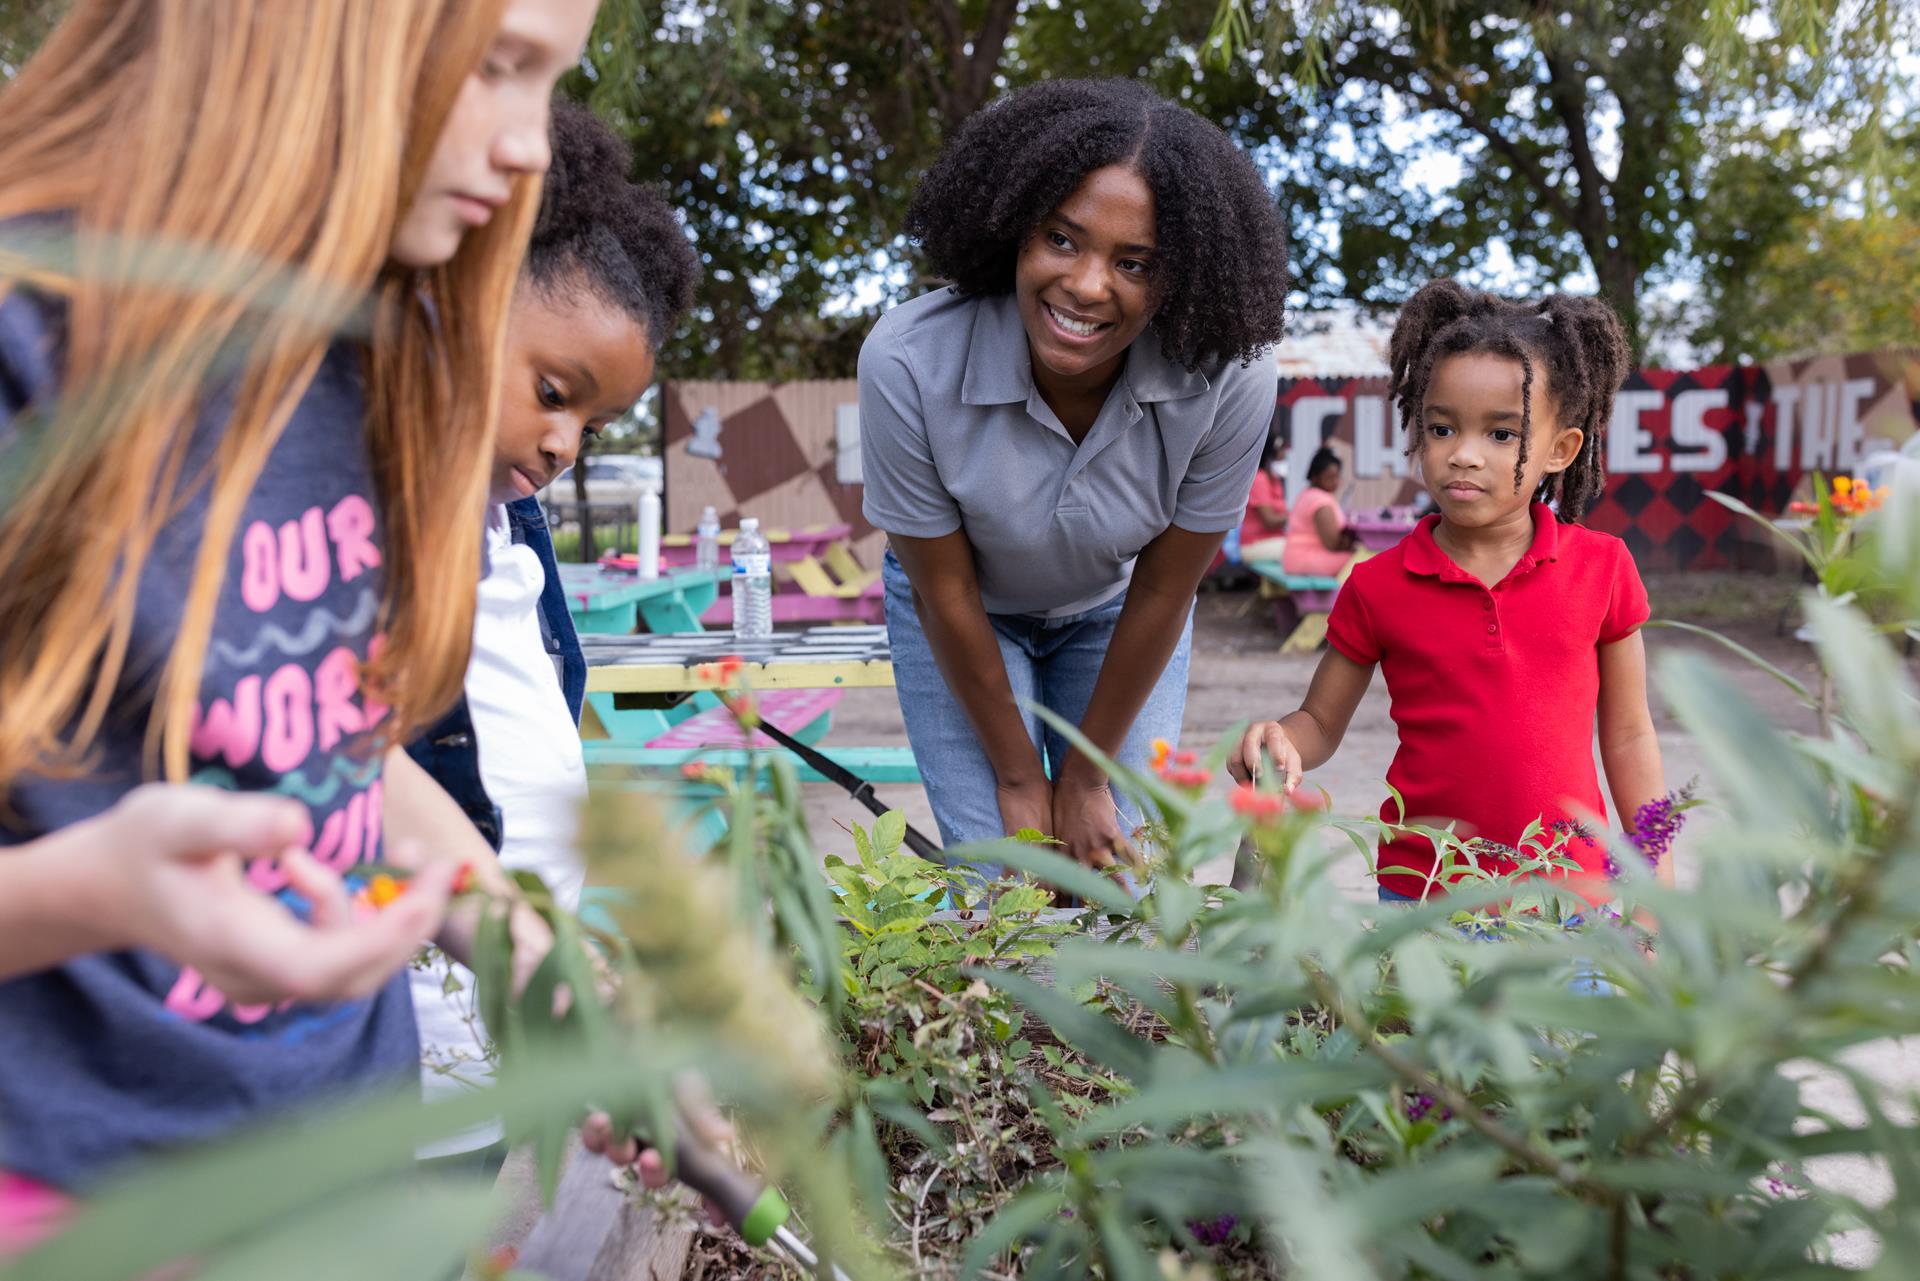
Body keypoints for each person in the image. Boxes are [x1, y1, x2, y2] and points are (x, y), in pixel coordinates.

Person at [0, 0, 599, 1217]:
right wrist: (95, 893)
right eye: (500, 66)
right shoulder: (28, 339)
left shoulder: (376, 346)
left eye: (554, 82)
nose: (536, 144)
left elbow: (334, 746)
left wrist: (530, 956)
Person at [859, 78, 1289, 871]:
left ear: (1181, 277)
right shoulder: (907, 361)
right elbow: (944, 591)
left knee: (1113, 872)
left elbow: (1166, 589)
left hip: (1116, 611)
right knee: (1004, 872)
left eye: (1134, 262)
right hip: (963, 614)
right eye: (1063, 240)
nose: (1089, 285)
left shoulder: (1232, 378)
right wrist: (1023, 776)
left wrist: (1087, 778)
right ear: (1015, 230)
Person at [409, 100, 700, 1162]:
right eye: (551, 391)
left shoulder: (515, 539)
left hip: (501, 1056)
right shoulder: (370, 542)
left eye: (595, 425)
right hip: (387, 1085)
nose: (565, 441)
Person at [1230, 281, 1668, 902]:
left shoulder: (1603, 569)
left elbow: (1628, 737)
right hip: (1422, 897)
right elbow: (1319, 724)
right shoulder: (1376, 586)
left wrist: (1657, 878)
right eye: (1441, 429)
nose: (1463, 455)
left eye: (1501, 434)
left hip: (1571, 902)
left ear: (1561, 450)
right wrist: (1274, 742)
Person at [1280, 446, 1359, 578]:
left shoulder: (1307, 494)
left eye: (1337, 477)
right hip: (1307, 558)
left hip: (1293, 558)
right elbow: (1332, 544)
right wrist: (1349, 541)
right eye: (1330, 477)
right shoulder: (1321, 501)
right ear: (1315, 477)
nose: (1335, 482)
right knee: (1364, 562)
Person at [1237, 435, 1290, 562]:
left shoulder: (1274, 479)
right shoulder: (1260, 478)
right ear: (1271, 454)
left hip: (1273, 541)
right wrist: (1296, 515)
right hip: (1255, 543)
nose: (1286, 453)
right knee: (1298, 551)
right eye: (1282, 450)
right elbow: (1269, 521)